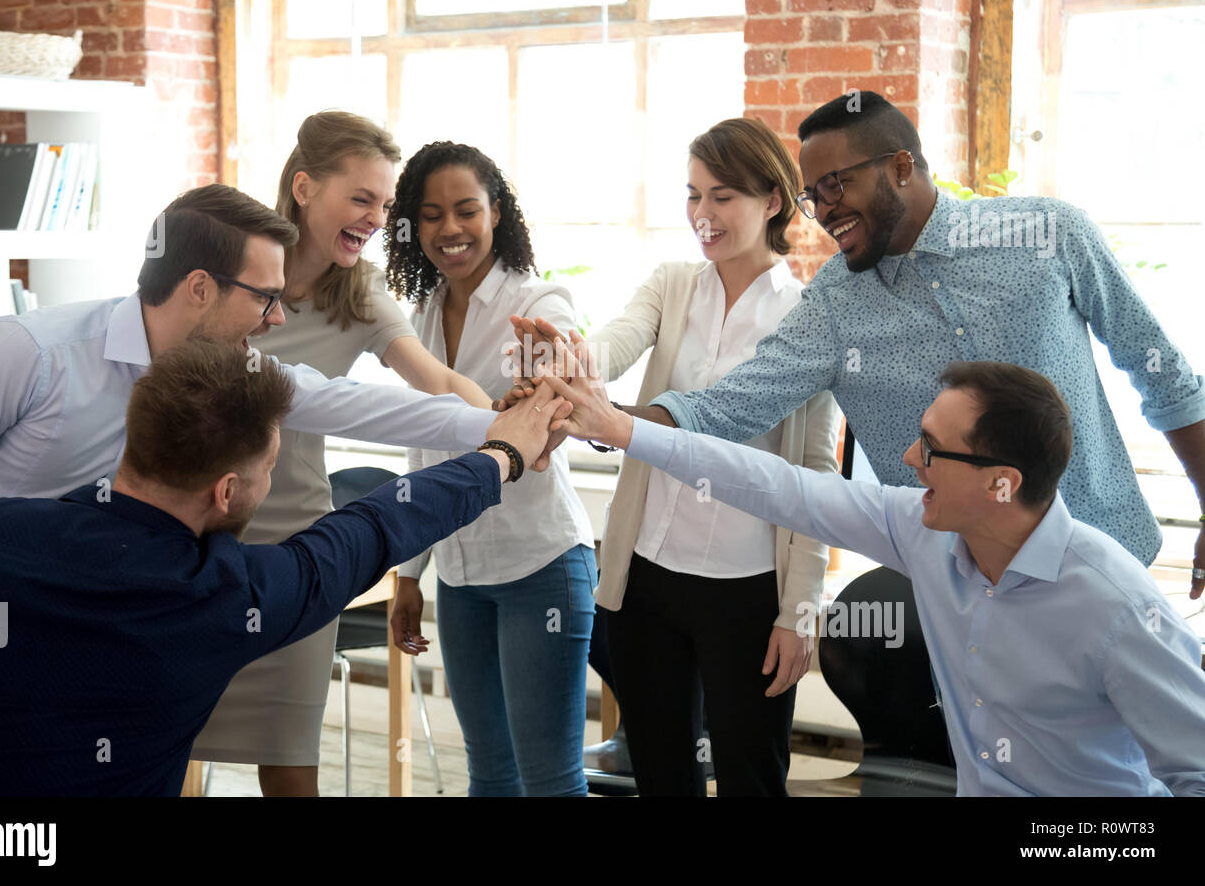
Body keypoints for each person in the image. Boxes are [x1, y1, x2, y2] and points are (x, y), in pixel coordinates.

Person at [519, 92, 1205, 589]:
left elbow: (1165, 376)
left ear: (901, 166)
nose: (824, 213)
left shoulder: (1050, 236)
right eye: (814, 196)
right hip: (965, 595)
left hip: (1108, 565)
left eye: (837, 185)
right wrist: (608, 422)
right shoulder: (834, 306)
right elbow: (725, 408)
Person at [0, 340, 566, 796]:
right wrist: (501, 455)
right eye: (267, 471)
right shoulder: (218, 599)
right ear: (226, 491)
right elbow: (370, 529)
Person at [541, 342, 1205, 796]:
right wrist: (623, 429)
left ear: (1003, 483)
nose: (910, 457)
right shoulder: (923, 529)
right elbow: (777, 485)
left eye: (934, 449)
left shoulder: (1116, 606)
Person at [0, 183, 534, 554]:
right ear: (200, 287)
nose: (277, 321)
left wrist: (500, 427)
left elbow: (356, 404)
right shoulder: (23, 353)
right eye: (264, 299)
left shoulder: (236, 369)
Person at [513, 118, 839, 795]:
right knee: (661, 773)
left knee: (752, 775)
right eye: (693, 195)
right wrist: (565, 358)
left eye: (723, 196)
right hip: (650, 575)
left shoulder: (808, 317)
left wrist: (799, 610)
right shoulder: (672, 285)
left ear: (772, 201)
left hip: (749, 587)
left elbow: (815, 475)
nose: (703, 215)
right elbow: (615, 344)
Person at [192, 112, 493, 798]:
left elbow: (437, 381)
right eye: (361, 199)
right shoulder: (222, 269)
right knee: (170, 740)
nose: (375, 218)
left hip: (297, 550)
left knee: (292, 762)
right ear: (303, 187)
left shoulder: (360, 294)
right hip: (202, 542)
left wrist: (507, 424)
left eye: (386, 206)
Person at [384, 141, 596, 796]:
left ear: (496, 212)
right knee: (491, 776)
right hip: (460, 577)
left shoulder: (538, 301)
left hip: (540, 570)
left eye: (466, 210)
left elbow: (563, 362)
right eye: (431, 215)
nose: (450, 229)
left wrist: (548, 382)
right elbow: (421, 451)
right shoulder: (418, 320)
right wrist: (409, 574)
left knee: (550, 781)